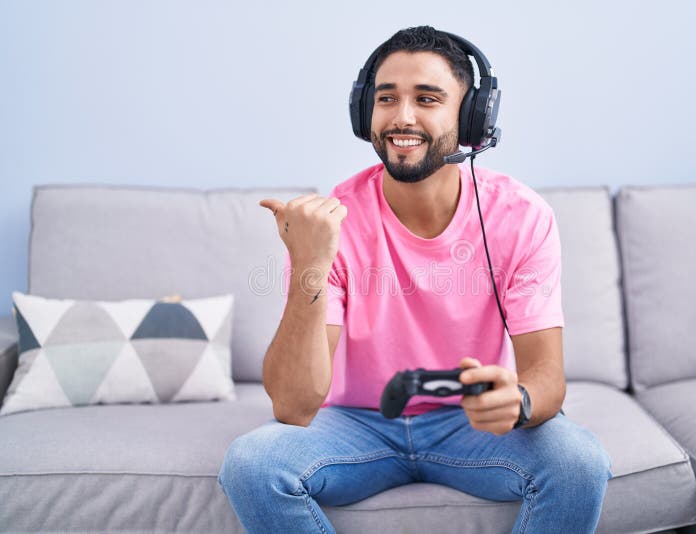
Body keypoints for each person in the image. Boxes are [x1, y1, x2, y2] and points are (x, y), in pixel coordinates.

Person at [218, 26, 612, 533]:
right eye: (387, 99)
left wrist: (520, 401)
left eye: (427, 99)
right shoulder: (333, 220)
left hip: (469, 423)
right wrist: (309, 263)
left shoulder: (521, 217)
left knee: (578, 462)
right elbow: (293, 406)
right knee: (252, 465)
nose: (402, 117)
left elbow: (547, 375)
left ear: (471, 117)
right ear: (365, 111)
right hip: (356, 423)